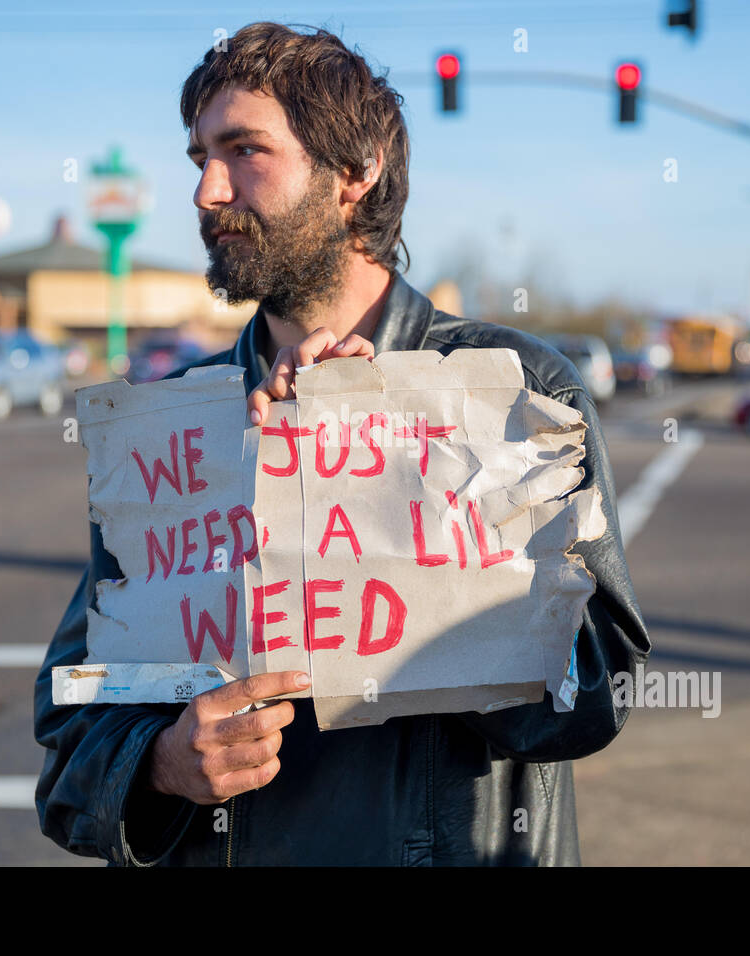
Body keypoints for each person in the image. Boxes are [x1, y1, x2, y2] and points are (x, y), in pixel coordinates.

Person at [35, 21, 651, 866]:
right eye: (199, 158)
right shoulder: (178, 425)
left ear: (356, 171)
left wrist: (392, 462)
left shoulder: (516, 390)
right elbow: (74, 731)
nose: (208, 191)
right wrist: (163, 765)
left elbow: (595, 693)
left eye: (244, 150)